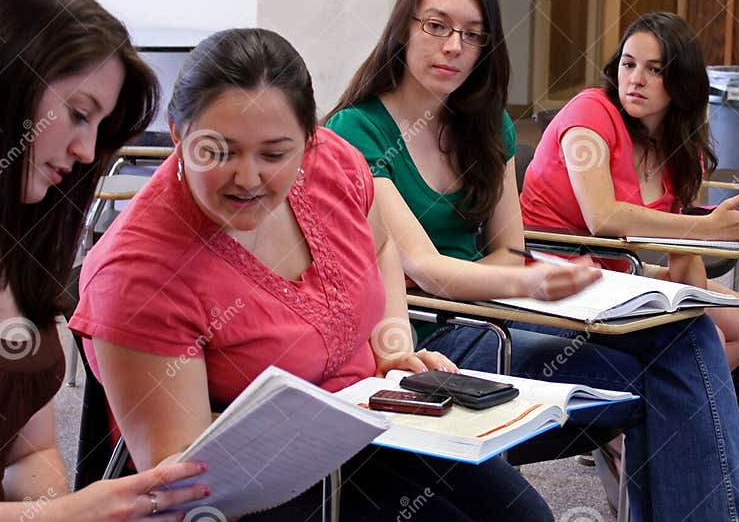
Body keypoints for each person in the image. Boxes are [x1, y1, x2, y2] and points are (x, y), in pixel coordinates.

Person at [326, 0, 739, 521]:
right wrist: (527, 280)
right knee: (675, 380)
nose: (453, 46)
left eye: (472, 34)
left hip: (498, 311)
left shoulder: (488, 127)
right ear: (404, 28)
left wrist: (511, 280)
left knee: (686, 339)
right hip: (433, 336)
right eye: (436, 26)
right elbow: (428, 269)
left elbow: (508, 248)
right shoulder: (357, 130)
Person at [69, 27, 553, 521]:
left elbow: (382, 244)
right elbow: (184, 471)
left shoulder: (332, 164)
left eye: (275, 154)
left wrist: (391, 349)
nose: (249, 178)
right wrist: (327, 427)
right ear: (177, 134)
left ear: (309, 140)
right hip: (253, 484)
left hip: (367, 423)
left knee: (527, 516)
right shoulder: (139, 272)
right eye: (217, 152)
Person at [0, 0, 208, 521]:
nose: (87, 150)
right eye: (79, 114)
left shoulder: (19, 254)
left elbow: (29, 452)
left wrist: (59, 510)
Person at [520, 12, 739, 369]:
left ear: (681, 81)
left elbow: (683, 253)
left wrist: (722, 232)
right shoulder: (590, 112)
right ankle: (659, 410)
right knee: (705, 344)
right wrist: (708, 229)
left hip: (618, 270)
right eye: (628, 64)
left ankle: (660, 413)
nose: (635, 80)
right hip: (555, 269)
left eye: (655, 70)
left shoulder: (682, 152)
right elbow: (603, 217)